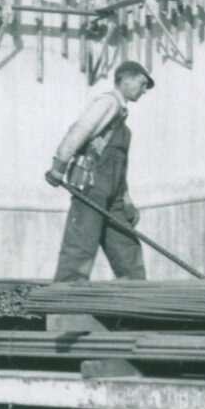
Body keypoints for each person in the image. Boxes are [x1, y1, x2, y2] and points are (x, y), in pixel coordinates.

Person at [45, 61, 153, 283]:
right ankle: (67, 300)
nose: (143, 91)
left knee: (125, 245)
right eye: (142, 84)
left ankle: (136, 297)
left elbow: (120, 170)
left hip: (113, 195)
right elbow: (80, 130)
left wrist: (127, 201)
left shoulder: (123, 122)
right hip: (91, 186)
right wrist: (59, 166)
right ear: (126, 79)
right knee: (81, 245)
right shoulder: (108, 103)